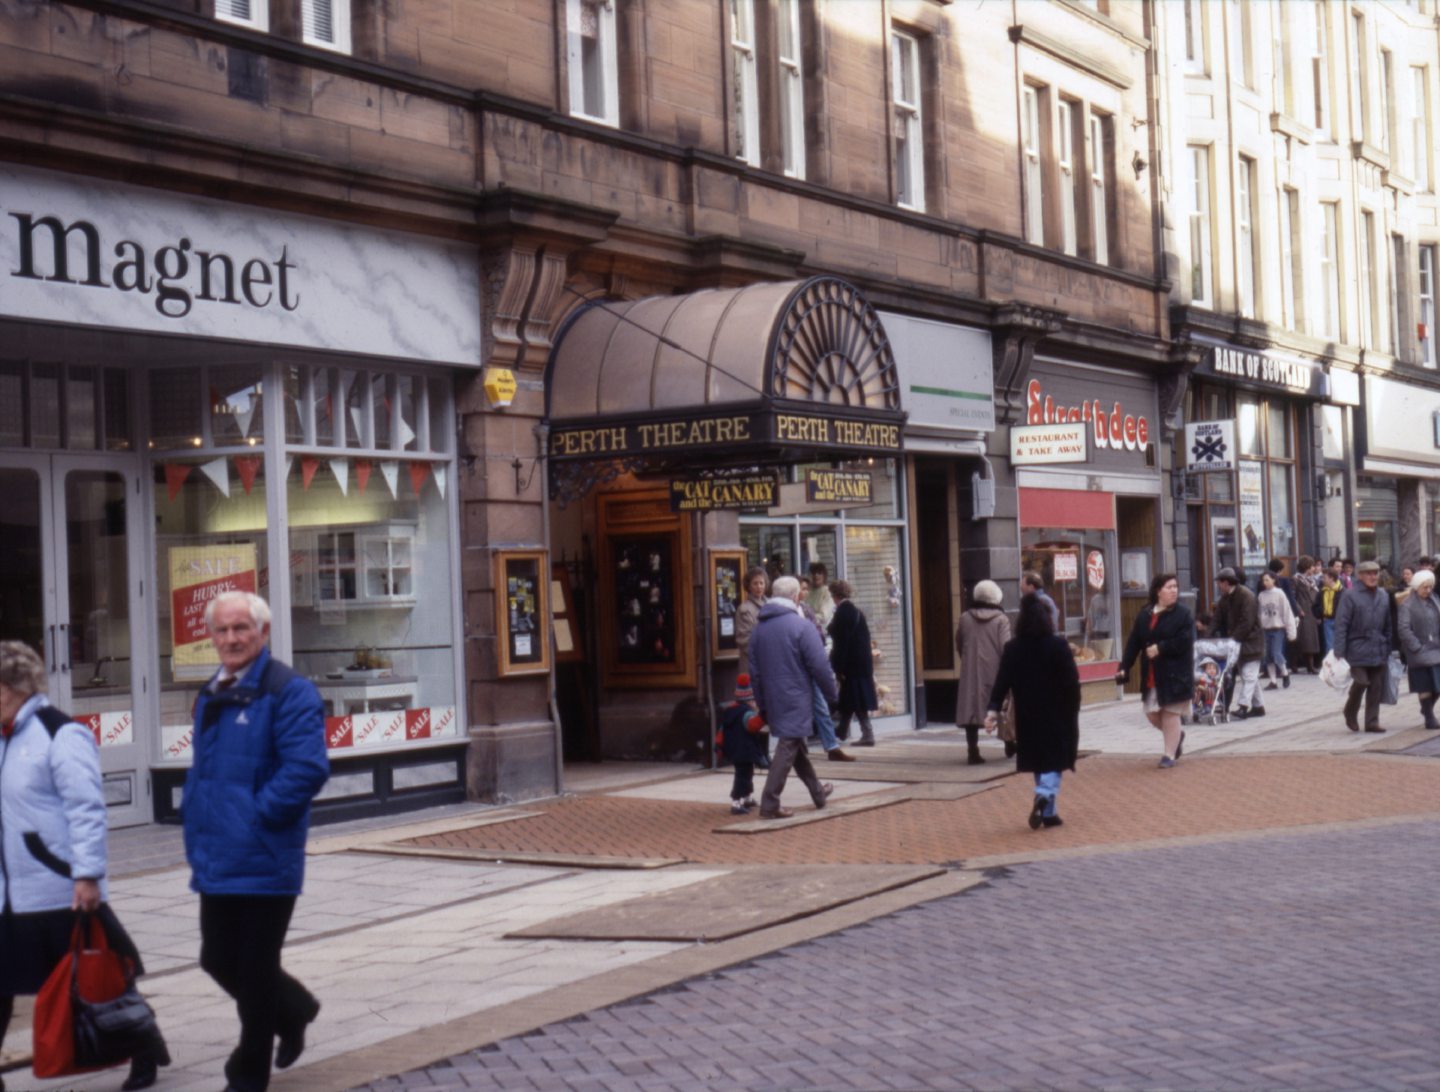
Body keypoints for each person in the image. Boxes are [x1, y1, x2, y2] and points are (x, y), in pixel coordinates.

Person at [0, 641, 169, 1092]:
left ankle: (144, 1049)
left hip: (58, 887)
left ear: (12, 687)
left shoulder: (60, 733)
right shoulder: (3, 736)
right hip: (7, 891)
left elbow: (87, 809)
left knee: (103, 977)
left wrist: (87, 874)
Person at [186, 591, 329, 1092]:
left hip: (265, 856)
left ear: (263, 633)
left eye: (241, 628)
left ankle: (247, 1075)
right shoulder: (210, 692)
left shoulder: (289, 691)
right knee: (217, 958)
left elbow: (306, 768)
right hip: (218, 854)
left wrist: (257, 818)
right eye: (222, 630)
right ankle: (294, 1011)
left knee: (254, 968)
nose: (231, 639)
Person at [985, 596, 1080, 828]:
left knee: (1039, 760)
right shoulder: (1058, 646)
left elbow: (1002, 681)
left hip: (1027, 712)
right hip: (1057, 710)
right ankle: (1044, 794)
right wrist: (1074, 707)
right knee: (1056, 758)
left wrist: (993, 710)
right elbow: (1071, 681)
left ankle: (1049, 813)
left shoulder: (1013, 648)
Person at [749, 576, 838, 820]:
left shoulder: (759, 630)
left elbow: (754, 673)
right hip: (797, 696)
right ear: (794, 596)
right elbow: (820, 666)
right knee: (788, 746)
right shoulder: (801, 626)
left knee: (795, 747)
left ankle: (818, 792)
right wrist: (833, 694)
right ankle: (770, 803)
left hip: (773, 697)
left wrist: (763, 703)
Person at [1116, 574, 1196, 768]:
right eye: (1169, 587)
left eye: (1176, 586)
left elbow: (1186, 640)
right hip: (1152, 673)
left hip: (1175, 673)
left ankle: (1169, 755)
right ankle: (1177, 736)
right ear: (1158, 591)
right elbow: (1134, 642)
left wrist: (1162, 648)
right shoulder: (1145, 614)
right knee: (1152, 714)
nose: (1174, 590)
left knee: (1170, 712)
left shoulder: (1183, 614)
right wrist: (1124, 667)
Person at [793, 579, 853, 763]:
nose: (804, 592)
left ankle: (832, 746)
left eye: (805, 589)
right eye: (801, 589)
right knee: (797, 708)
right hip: (794, 667)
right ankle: (799, 747)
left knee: (820, 706)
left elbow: (818, 632)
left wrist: (816, 648)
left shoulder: (807, 610)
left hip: (809, 663)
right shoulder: (786, 612)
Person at [954, 580, 1012, 766]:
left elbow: (959, 642)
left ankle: (973, 750)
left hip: (971, 669)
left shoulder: (965, 618)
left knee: (970, 707)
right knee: (1002, 706)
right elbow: (1006, 647)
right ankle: (1009, 743)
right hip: (996, 669)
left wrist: (967, 660)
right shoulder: (1001, 619)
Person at [1334, 560, 1393, 733]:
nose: (1373, 576)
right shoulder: (1350, 595)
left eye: (1375, 573)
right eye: (1368, 573)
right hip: (1357, 647)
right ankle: (1350, 711)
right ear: (1360, 576)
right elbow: (1341, 624)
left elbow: (1388, 623)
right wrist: (1339, 649)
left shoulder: (1383, 595)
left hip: (1378, 646)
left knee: (1375, 687)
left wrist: (1388, 644)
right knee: (1361, 682)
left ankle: (1372, 722)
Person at [827, 579, 877, 746]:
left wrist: (837, 666)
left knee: (855, 698)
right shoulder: (855, 611)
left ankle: (867, 733)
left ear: (835, 595)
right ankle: (842, 730)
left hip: (852, 665)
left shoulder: (842, 613)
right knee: (850, 697)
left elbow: (841, 643)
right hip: (861, 664)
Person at [1212, 567, 1265, 719]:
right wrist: (1207, 636)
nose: (1218, 586)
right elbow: (1217, 619)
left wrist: (1233, 639)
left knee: (1248, 676)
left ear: (1226, 582)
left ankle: (1243, 706)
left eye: (1219, 583)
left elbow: (1247, 622)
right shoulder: (1225, 598)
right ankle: (1258, 706)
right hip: (1239, 642)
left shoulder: (1246, 596)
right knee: (1249, 676)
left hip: (1251, 642)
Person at [1397, 570, 1440, 731]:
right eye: (1425, 587)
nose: (1428, 591)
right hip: (1419, 651)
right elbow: (1404, 629)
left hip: (1436, 649)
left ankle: (1426, 708)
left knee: (1437, 685)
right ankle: (1429, 716)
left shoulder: (1435, 600)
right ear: (1416, 587)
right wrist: (1416, 647)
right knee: (1424, 686)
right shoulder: (1407, 604)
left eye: (1430, 587)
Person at [720, 674, 768, 813]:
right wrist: (763, 717)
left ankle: (747, 797)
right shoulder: (746, 713)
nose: (755, 703)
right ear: (749, 700)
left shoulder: (731, 710)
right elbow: (752, 726)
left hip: (735, 750)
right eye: (754, 700)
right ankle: (736, 802)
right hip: (744, 750)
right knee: (742, 776)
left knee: (747, 774)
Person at [1258, 570, 1297, 690]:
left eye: (1267, 580)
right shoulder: (1261, 595)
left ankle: (1285, 673)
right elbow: (1259, 613)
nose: (1265, 582)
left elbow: (1286, 611)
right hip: (1266, 628)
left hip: (1278, 628)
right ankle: (1273, 681)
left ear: (1274, 580)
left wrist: (1291, 630)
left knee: (1276, 652)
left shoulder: (1280, 593)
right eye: (1263, 580)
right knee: (1268, 655)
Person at [735, 566, 769, 677]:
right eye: (755, 583)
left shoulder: (771, 605)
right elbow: (744, 641)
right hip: (753, 666)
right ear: (749, 586)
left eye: (761, 583)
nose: (759, 587)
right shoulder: (744, 609)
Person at [1293, 555, 1322, 674]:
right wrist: (1298, 610)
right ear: (1307, 567)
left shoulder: (1312, 580)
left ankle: (1310, 665)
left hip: (1312, 611)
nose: (1314, 568)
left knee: (1311, 639)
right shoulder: (1296, 579)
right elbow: (1292, 597)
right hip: (1303, 612)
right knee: (1300, 639)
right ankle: (1295, 665)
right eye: (1312, 566)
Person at [1319, 568, 1343, 655]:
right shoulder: (1322, 591)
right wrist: (1321, 614)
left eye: (1324, 577)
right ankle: (1331, 666)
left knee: (1340, 644)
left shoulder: (1342, 591)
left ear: (1331, 578)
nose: (1322, 580)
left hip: (1340, 621)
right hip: (1327, 621)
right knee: (1329, 646)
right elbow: (1316, 605)